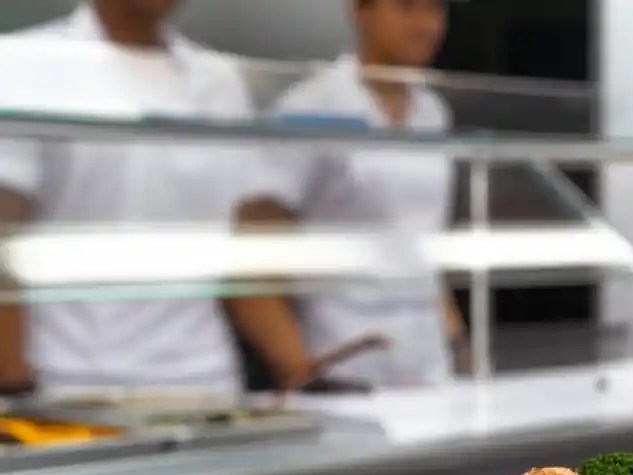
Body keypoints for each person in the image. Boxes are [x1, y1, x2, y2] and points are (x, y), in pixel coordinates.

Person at [0, 0, 255, 396]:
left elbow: (242, 250)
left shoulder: (218, 82)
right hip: (67, 383)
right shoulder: (24, 64)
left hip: (203, 379)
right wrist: (12, 379)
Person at [231, 0, 466, 391]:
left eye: (435, 10)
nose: (425, 25)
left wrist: (460, 346)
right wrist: (303, 372)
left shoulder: (433, 113)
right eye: (406, 7)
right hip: (344, 364)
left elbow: (418, 246)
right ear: (360, 10)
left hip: (429, 365)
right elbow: (251, 271)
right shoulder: (311, 107)